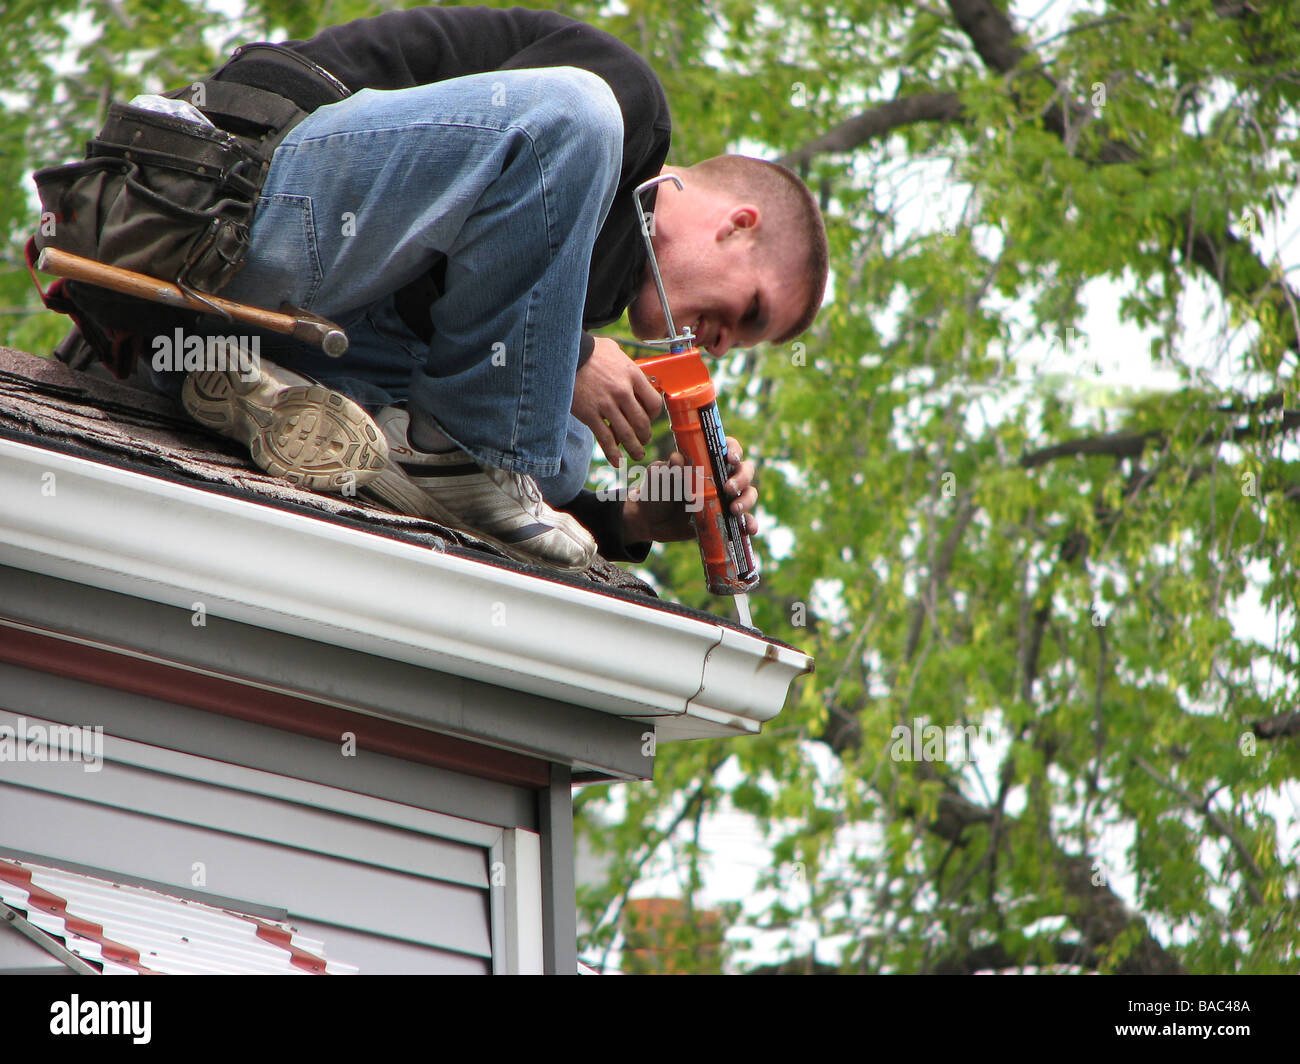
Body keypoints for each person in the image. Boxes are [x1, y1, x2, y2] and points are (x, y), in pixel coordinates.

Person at [161, 5, 829, 572]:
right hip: (232, 199)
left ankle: (267, 395)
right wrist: (570, 355)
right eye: (748, 313)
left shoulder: (581, 277)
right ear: (740, 228)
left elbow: (510, 496)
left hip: (217, 331)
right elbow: (458, 207)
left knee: (560, 451)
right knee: (578, 116)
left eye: (741, 343)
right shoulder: (632, 114)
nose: (719, 343)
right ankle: (433, 445)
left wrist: (635, 517)